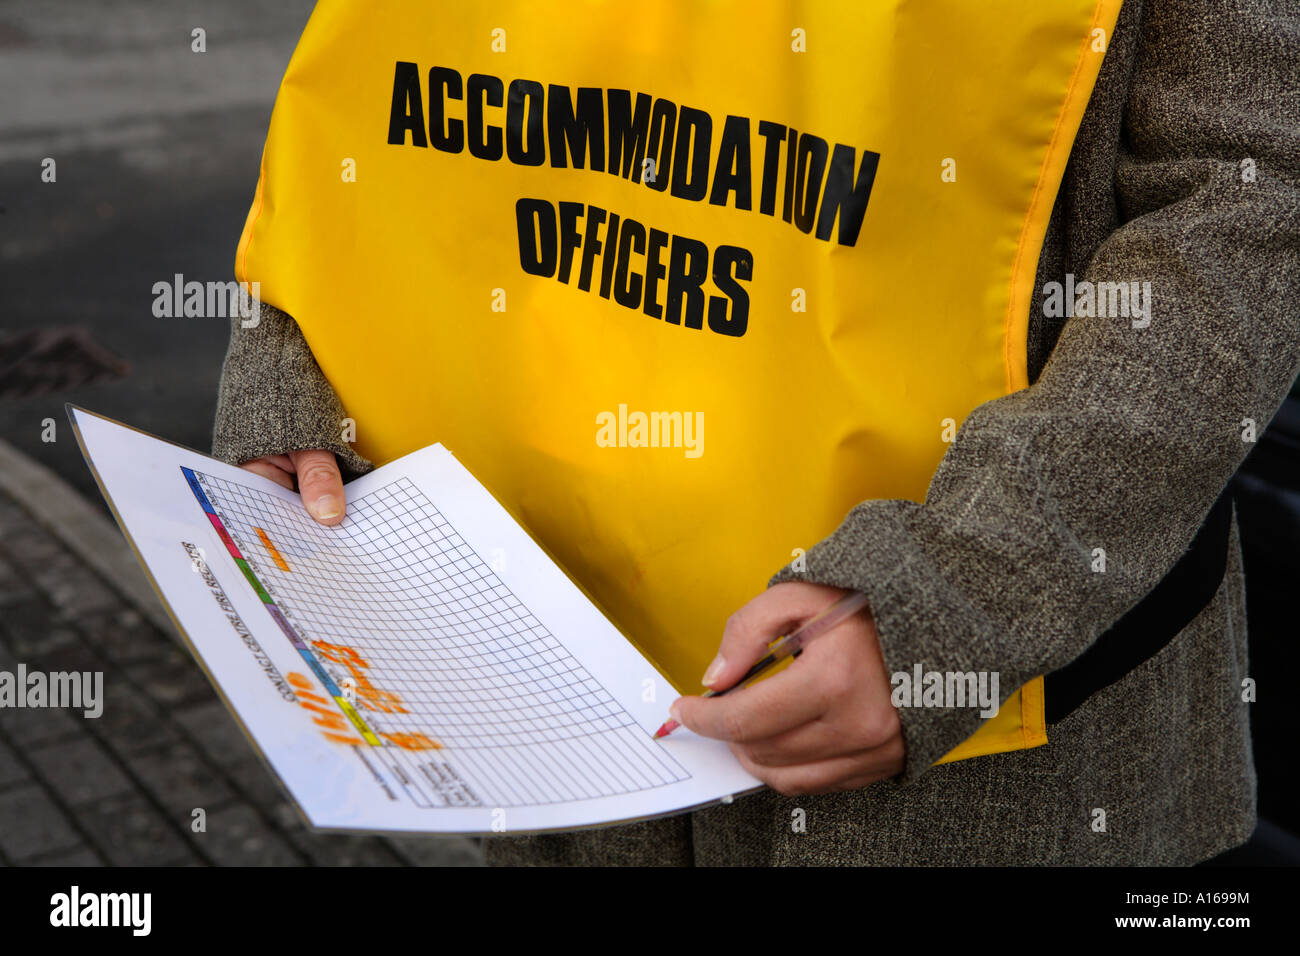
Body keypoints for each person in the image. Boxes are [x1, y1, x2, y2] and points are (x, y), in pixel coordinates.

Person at [213, 0, 1300, 865]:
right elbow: (378, 77)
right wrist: (298, 372)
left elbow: (1251, 201)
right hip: (555, 682)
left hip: (987, 760)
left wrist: (962, 595)